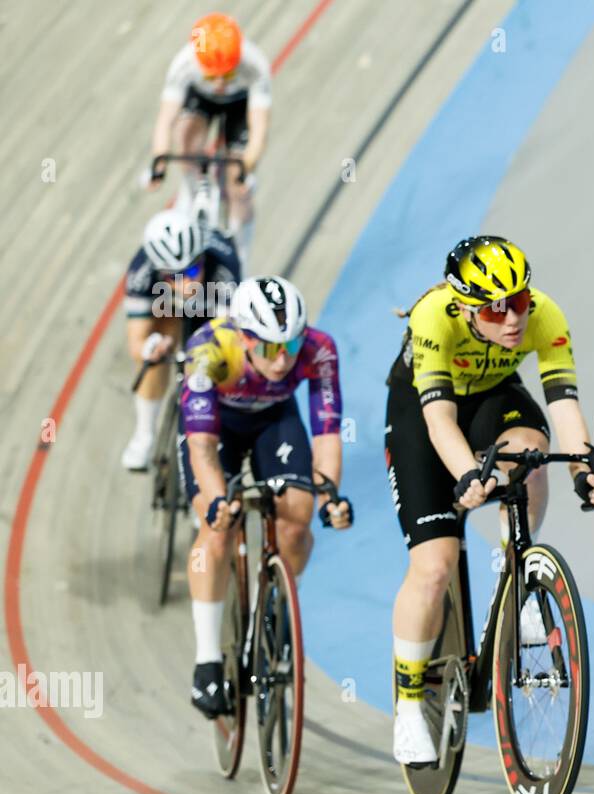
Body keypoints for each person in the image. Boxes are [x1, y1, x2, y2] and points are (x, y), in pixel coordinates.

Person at [384, 236, 594, 765]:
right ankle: (411, 707)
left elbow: (564, 410)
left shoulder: (544, 314)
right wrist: (466, 473)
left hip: (492, 394)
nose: (513, 318)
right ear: (464, 306)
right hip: (422, 414)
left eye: (520, 302)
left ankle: (518, 581)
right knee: (434, 566)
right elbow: (440, 422)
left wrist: (586, 472)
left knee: (532, 456)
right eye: (495, 308)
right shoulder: (432, 319)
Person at [179, 275, 352, 717]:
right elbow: (201, 447)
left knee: (297, 523)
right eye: (272, 348)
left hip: (274, 418)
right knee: (218, 530)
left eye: (292, 346)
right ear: (244, 337)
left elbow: (328, 434)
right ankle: (206, 662)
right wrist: (219, 501)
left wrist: (329, 494)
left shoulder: (319, 349)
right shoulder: (208, 351)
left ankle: (267, 613)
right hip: (217, 425)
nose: (283, 360)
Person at [121, 208, 241, 471]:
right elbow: (136, 341)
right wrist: (151, 348)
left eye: (193, 269)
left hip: (212, 305)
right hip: (167, 305)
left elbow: (230, 338)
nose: (187, 283)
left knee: (222, 369)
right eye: (174, 276)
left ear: (202, 257)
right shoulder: (141, 272)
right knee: (151, 357)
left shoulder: (223, 266)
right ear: (159, 270)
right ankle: (144, 435)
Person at [147, 13, 271, 266]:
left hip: (240, 104)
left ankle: (240, 251)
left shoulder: (255, 65)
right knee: (185, 138)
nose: (218, 84)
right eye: (211, 76)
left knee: (239, 187)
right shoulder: (184, 64)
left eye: (226, 76)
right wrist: (159, 160)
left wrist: (246, 167)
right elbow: (166, 119)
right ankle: (193, 187)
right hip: (201, 99)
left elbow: (259, 127)